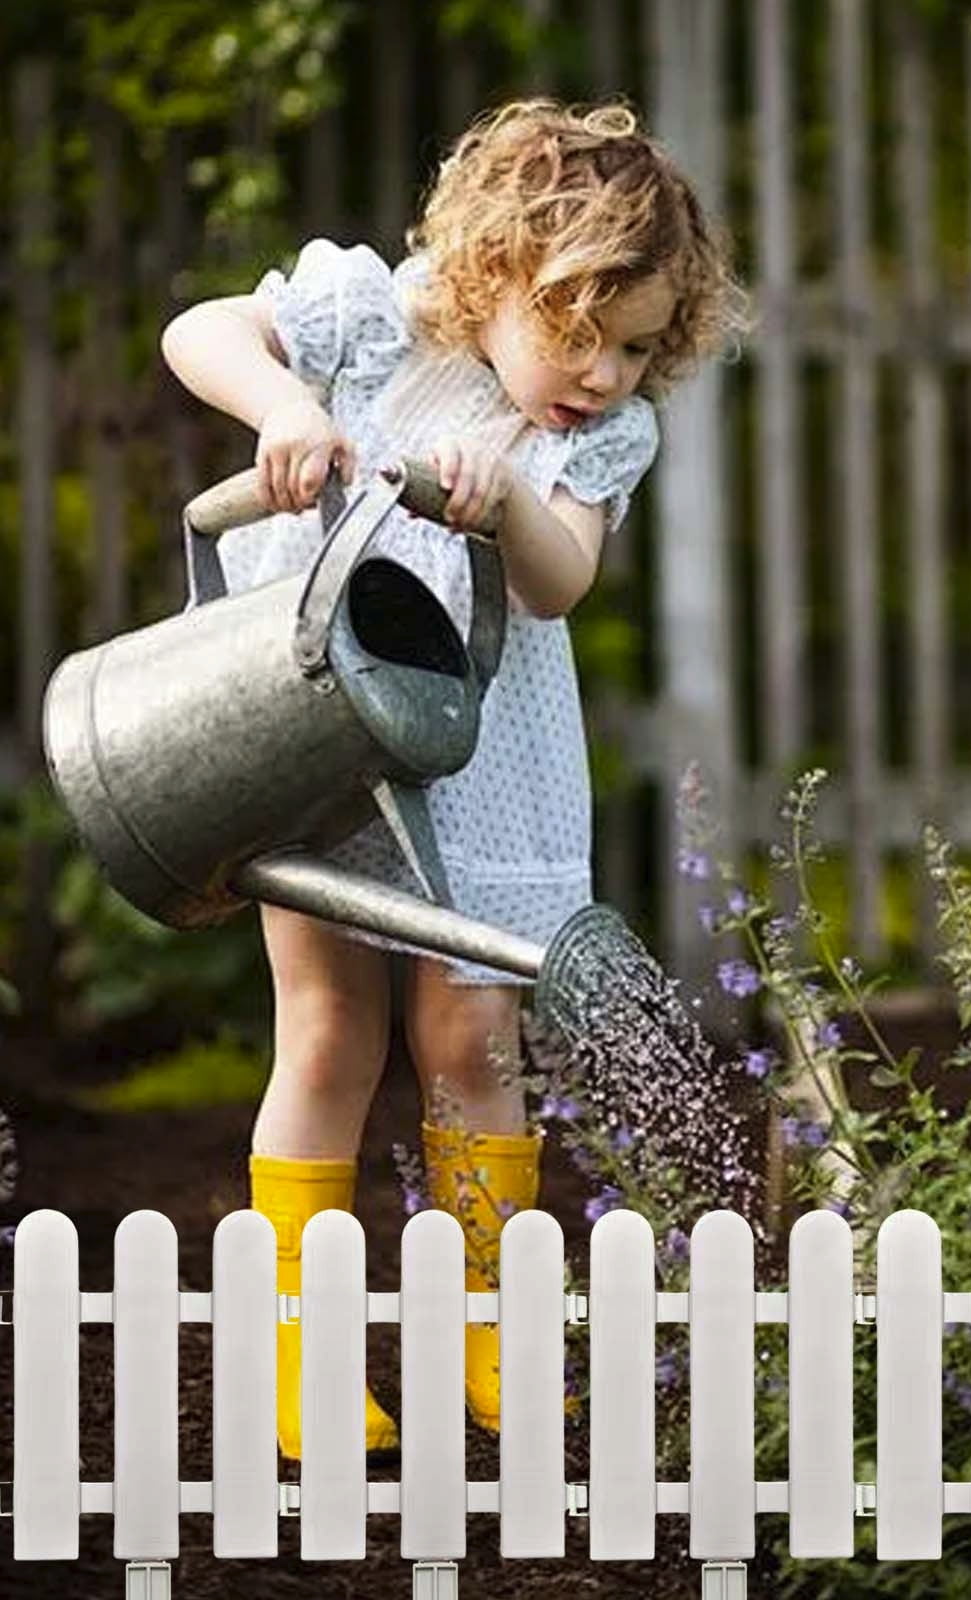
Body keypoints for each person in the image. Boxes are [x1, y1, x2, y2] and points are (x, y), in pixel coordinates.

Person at [160, 98, 749, 1457]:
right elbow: (200, 333)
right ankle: (302, 1365)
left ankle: (494, 1343)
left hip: (489, 756)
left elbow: (562, 582)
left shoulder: (591, 442)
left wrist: (509, 505)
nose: (602, 372)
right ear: (492, 274)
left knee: (473, 1043)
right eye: (578, 331)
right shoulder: (374, 319)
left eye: (637, 346)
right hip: (307, 725)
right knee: (324, 1029)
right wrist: (285, 404)